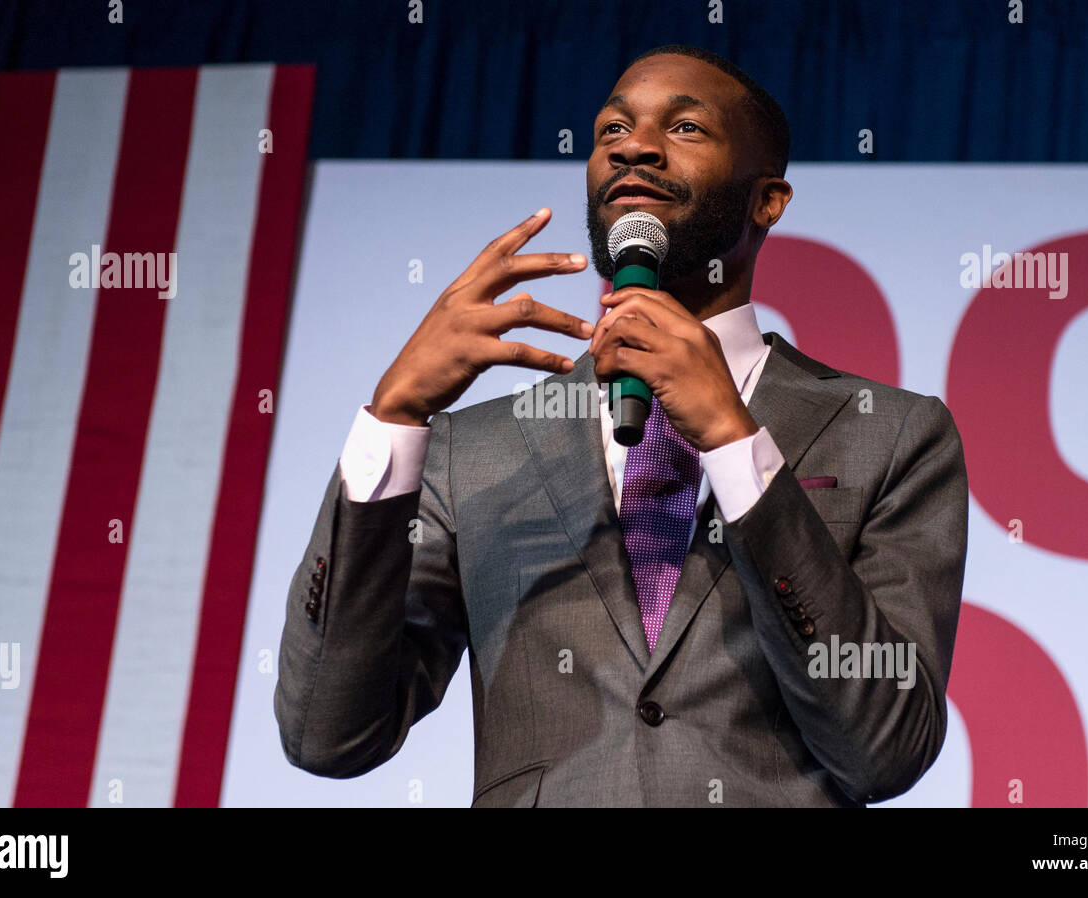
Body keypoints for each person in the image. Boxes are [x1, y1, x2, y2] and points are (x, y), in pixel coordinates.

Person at [274, 44, 968, 807]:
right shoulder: (470, 453)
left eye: (686, 128)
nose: (634, 145)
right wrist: (395, 421)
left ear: (768, 200)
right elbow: (328, 734)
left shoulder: (894, 436)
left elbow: (885, 750)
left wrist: (739, 447)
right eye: (612, 130)